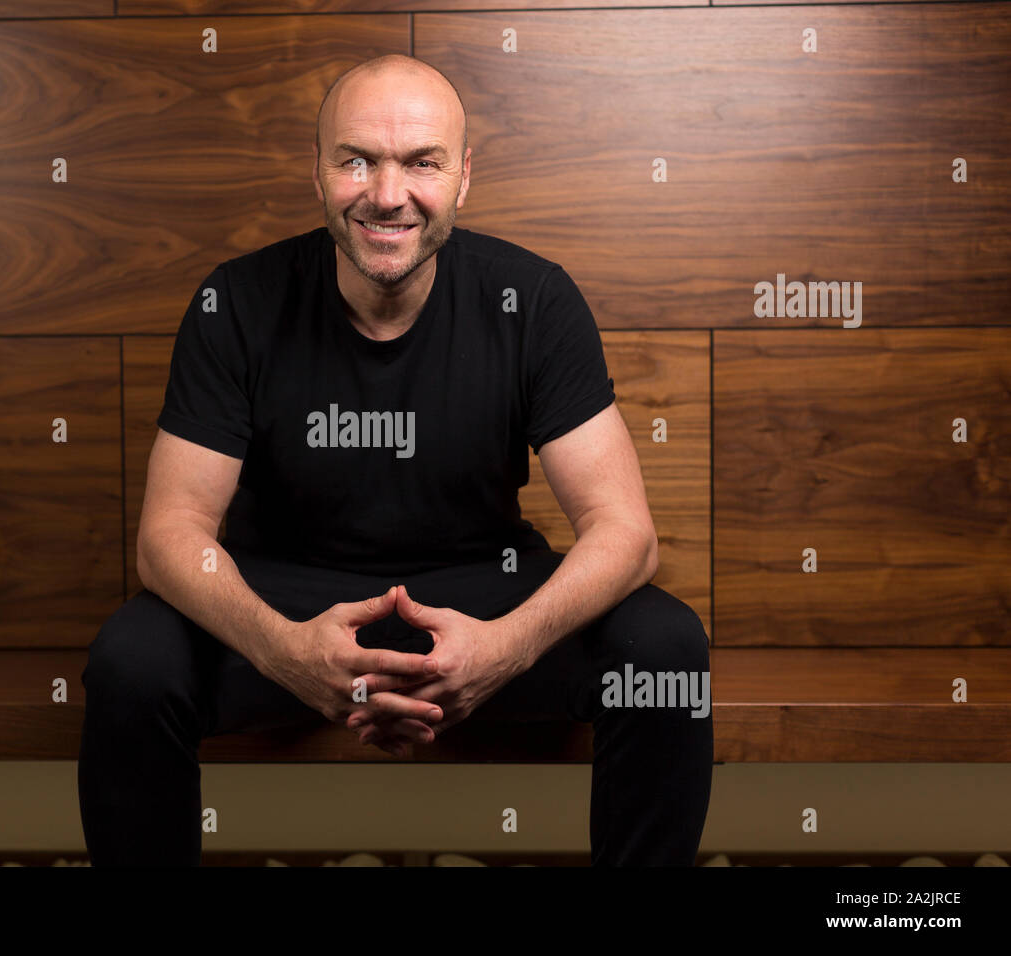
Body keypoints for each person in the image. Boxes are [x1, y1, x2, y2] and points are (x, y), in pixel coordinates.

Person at [78, 54, 712, 866]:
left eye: (422, 162)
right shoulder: (235, 302)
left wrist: (507, 648)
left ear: (463, 177)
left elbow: (626, 533)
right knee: (131, 660)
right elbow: (170, 534)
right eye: (357, 160)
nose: (386, 194)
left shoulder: (533, 299)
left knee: (664, 648)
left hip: (481, 593)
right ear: (317, 172)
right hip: (283, 598)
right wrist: (281, 650)